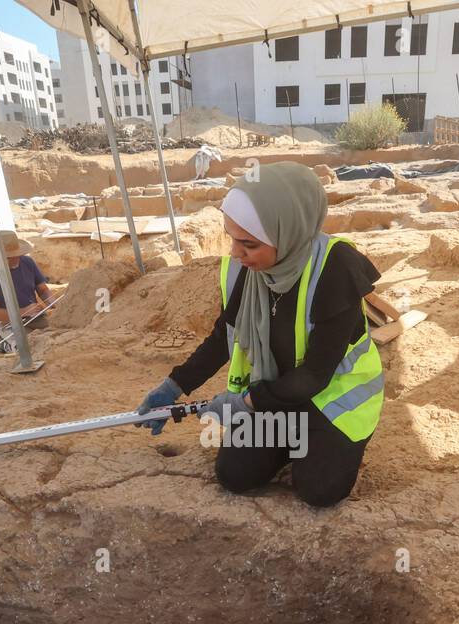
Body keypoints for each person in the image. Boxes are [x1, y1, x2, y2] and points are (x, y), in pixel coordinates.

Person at [136, 162, 384, 507]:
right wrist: (174, 386)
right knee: (235, 474)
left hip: (332, 402)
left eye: (248, 244)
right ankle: (291, 439)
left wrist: (244, 403)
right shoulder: (246, 271)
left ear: (286, 232)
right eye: (232, 240)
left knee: (319, 490)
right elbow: (223, 336)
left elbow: (314, 375)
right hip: (278, 396)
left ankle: (326, 443)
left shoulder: (336, 267)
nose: (236, 253)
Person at [0, 231, 55, 354]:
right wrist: (24, 311)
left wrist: (55, 304)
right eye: (10, 257)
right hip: (8, 322)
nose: (16, 258)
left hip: (35, 316)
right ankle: (5, 343)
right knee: (27, 349)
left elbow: (43, 290)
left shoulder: (28, 262)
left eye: (17, 254)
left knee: (60, 334)